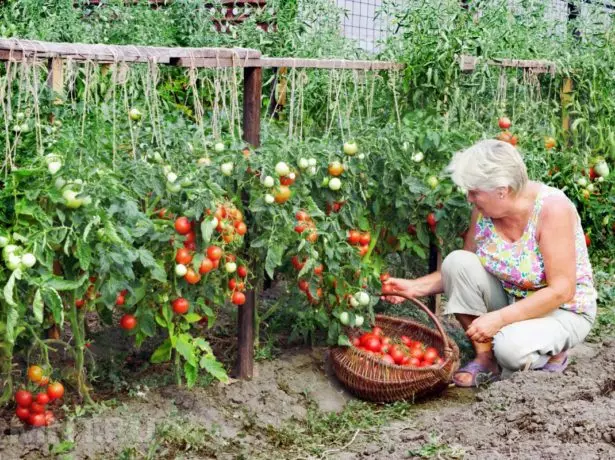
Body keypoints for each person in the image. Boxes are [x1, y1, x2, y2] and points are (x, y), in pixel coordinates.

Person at [381, 139, 596, 387]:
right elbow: (462, 270)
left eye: (474, 192)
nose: (469, 198)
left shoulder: (552, 209)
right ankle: (485, 359)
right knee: (457, 262)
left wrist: (499, 319)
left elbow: (562, 290)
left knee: (509, 349)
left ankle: (552, 352)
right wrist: (413, 288)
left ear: (502, 190)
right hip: (513, 298)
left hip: (562, 310)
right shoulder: (485, 210)